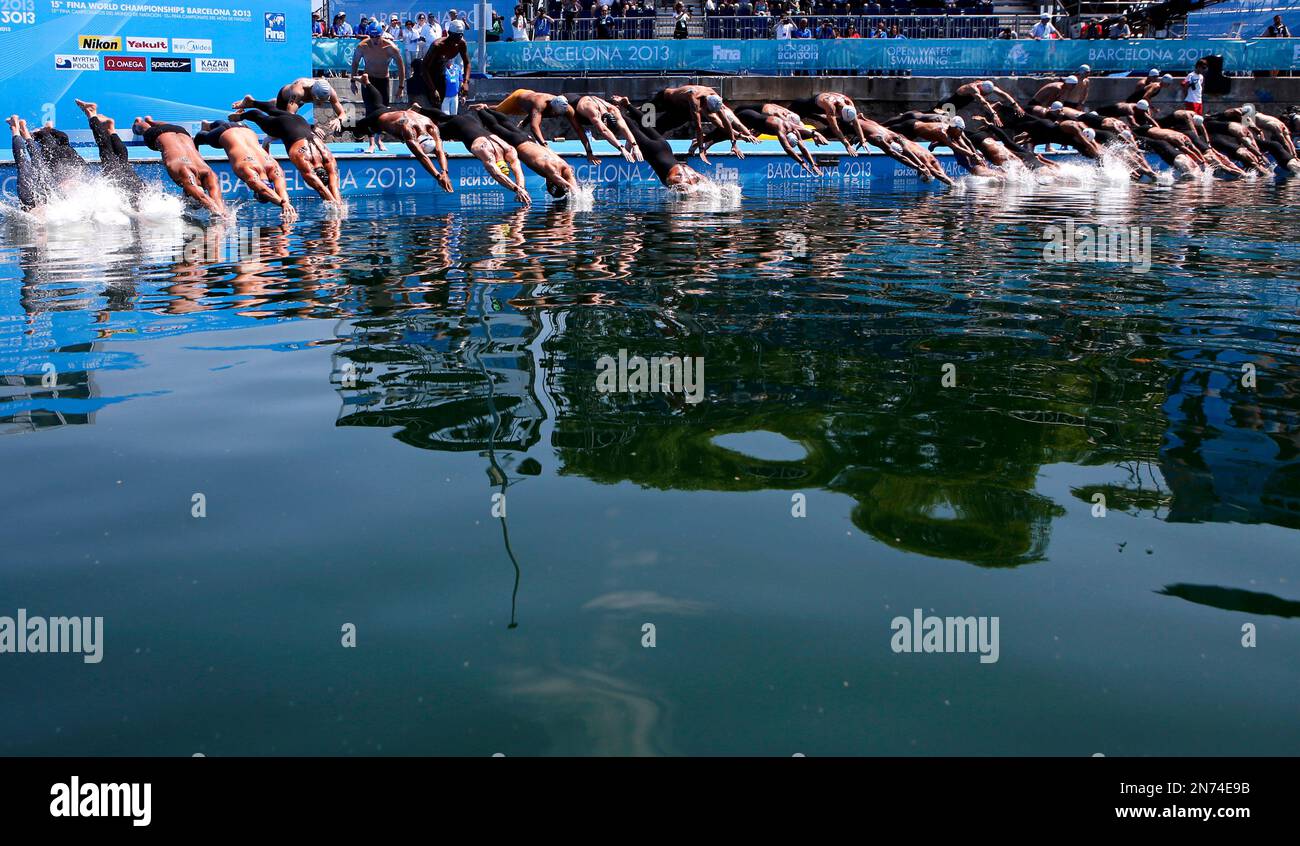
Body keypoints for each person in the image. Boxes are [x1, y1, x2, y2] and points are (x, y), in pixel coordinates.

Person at [350, 74, 454, 193]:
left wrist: (444, 172)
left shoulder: (430, 125)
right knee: (356, 130)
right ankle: (341, 121)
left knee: (378, 103)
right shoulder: (410, 129)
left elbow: (440, 151)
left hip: (390, 112)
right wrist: (437, 176)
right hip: (376, 120)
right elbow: (421, 156)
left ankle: (367, 83)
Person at [227, 104, 342, 204]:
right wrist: (336, 206)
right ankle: (240, 116)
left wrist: (338, 203)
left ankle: (251, 102)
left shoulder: (327, 156)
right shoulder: (303, 159)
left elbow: (333, 184)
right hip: (283, 126)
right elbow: (321, 188)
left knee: (273, 110)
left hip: (299, 121)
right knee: (260, 118)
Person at [422, 107, 531, 205]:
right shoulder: (486, 153)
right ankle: (418, 121)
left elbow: (518, 171)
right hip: (456, 128)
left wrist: (521, 188)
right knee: (432, 131)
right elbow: (497, 174)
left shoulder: (509, 149)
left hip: (470, 119)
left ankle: (420, 109)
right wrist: (516, 189)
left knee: (444, 116)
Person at [193, 118, 296, 219]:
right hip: (223, 134)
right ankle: (205, 130)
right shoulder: (248, 170)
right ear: (256, 191)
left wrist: (287, 203)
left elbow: (282, 189)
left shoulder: (273, 167)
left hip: (245, 128)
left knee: (224, 125)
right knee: (201, 137)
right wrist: (283, 204)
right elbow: (262, 188)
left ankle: (209, 125)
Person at [471, 106, 581, 200]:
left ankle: (486, 108)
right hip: (518, 143)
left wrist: (578, 193)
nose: (546, 182)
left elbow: (571, 183)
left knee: (507, 123)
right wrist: (577, 197)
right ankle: (480, 110)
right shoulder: (550, 171)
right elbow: (566, 185)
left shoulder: (564, 166)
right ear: (552, 183)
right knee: (495, 127)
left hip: (529, 140)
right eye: (548, 184)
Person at [131, 116, 227, 215]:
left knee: (166, 127)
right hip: (159, 135)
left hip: (182, 132)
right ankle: (139, 123)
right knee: (146, 129)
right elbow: (202, 197)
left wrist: (223, 213)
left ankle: (149, 121)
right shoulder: (185, 172)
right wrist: (219, 214)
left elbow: (217, 199)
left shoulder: (208, 172)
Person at [611, 95, 705, 189]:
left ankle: (627, 105)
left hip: (664, 146)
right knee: (634, 129)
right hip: (657, 153)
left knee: (646, 125)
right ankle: (616, 111)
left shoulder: (684, 178)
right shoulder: (688, 178)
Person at [651, 86, 756, 162]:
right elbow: (699, 127)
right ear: (705, 103)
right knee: (644, 113)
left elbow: (726, 123)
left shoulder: (715, 99)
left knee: (658, 129)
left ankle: (649, 145)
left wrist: (734, 144)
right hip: (666, 100)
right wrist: (701, 149)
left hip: (681, 111)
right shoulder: (694, 98)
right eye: (708, 110)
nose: (708, 113)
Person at [491, 89, 598, 160]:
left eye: (559, 115)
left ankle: (523, 121)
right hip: (517, 99)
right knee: (497, 110)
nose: (556, 117)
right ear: (551, 107)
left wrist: (589, 151)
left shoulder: (568, 109)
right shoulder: (540, 104)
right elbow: (534, 127)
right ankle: (481, 107)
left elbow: (579, 129)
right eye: (555, 114)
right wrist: (545, 146)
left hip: (530, 108)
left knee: (535, 113)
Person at [71, 100, 145, 200]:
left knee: (123, 161)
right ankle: (92, 113)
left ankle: (111, 128)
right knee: (106, 149)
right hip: (120, 179)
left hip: (136, 182)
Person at [232, 78, 346, 140]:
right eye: (319, 101)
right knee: (278, 123)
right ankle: (252, 103)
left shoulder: (328, 90)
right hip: (284, 97)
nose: (321, 104)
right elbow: (290, 116)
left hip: (298, 101)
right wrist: (312, 127)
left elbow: (342, 113)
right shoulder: (299, 91)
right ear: (312, 93)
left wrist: (339, 119)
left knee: (277, 112)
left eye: (324, 101)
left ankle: (250, 102)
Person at [566, 93, 644, 161]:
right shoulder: (592, 111)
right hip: (568, 101)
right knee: (578, 128)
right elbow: (604, 131)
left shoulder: (614, 110)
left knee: (625, 122)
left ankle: (628, 149)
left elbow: (624, 127)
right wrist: (621, 148)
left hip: (582, 102)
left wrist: (635, 146)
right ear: (605, 124)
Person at [789, 92, 866, 155]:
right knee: (788, 126)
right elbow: (835, 128)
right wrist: (847, 145)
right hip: (799, 108)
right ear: (840, 111)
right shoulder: (830, 106)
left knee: (830, 120)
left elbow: (855, 123)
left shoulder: (849, 103)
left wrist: (862, 140)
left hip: (814, 112)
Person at [422, 20, 472, 114]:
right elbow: (424, 68)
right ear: (449, 33)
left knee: (441, 106)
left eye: (460, 35)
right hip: (429, 75)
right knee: (433, 106)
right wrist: (433, 89)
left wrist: (466, 82)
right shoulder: (437, 45)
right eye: (456, 36)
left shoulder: (461, 43)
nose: (458, 38)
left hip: (441, 73)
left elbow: (467, 63)